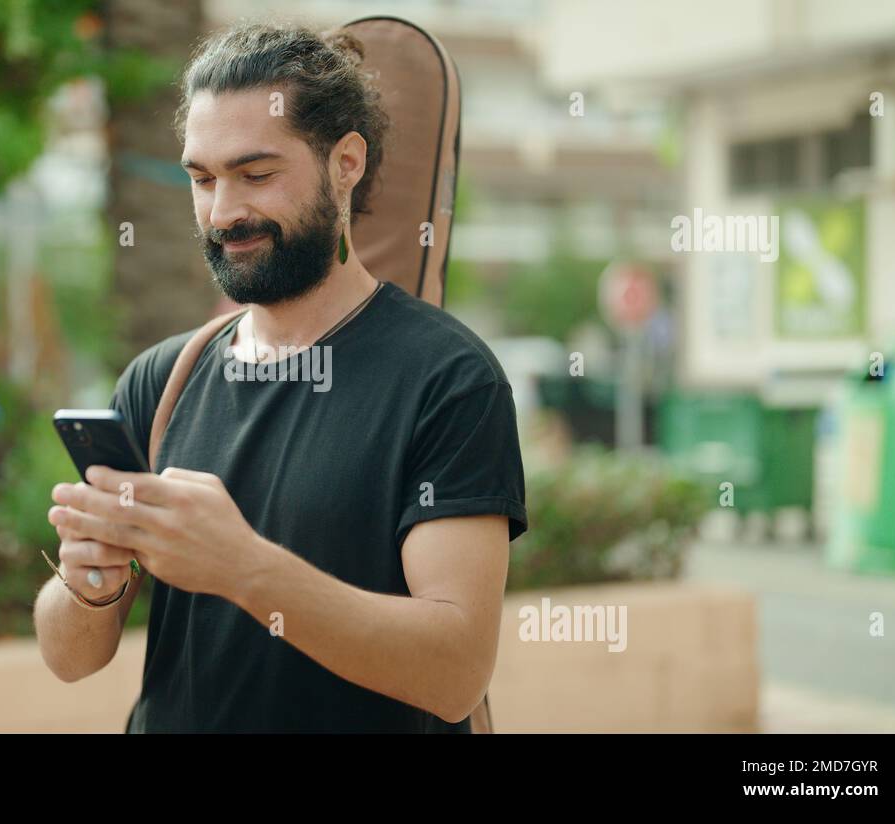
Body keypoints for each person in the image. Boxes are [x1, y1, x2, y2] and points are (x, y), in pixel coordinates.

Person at [33, 22, 527, 733]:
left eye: (256, 174)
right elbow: (69, 658)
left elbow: (454, 674)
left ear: (345, 163)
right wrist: (88, 581)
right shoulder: (162, 380)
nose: (224, 211)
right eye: (202, 179)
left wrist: (241, 566)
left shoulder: (447, 381)